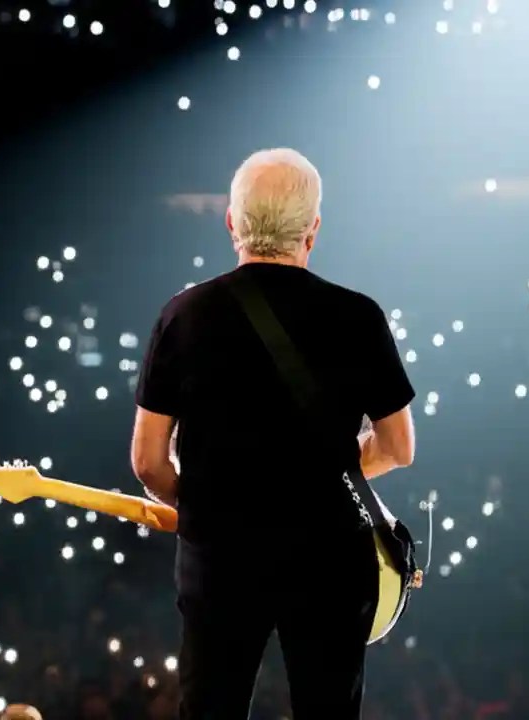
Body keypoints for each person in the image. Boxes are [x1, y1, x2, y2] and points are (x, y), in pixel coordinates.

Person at [130, 148, 416, 718]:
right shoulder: (358, 317)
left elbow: (148, 463)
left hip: (221, 553)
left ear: (232, 223)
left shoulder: (183, 316)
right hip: (330, 554)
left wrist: (206, 502)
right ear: (313, 229)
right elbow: (398, 448)